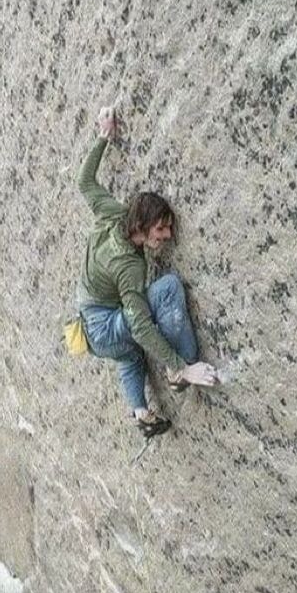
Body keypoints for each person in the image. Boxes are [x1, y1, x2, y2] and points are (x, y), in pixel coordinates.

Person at [77, 106, 217, 436]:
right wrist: (181, 366)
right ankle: (181, 370)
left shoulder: (115, 214)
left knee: (130, 356)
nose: (167, 236)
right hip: (103, 326)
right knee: (167, 287)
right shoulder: (129, 266)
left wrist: (103, 137)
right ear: (141, 226)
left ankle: (141, 412)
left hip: (90, 326)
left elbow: (84, 182)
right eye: (161, 230)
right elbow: (139, 325)